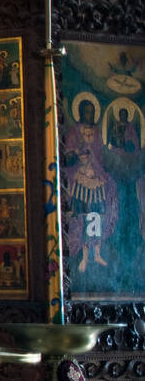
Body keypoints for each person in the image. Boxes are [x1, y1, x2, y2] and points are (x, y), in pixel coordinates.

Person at [64, 98, 117, 271]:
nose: (90, 114)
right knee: (83, 215)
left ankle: (97, 253)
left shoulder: (97, 132)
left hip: (96, 178)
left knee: (98, 215)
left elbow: (101, 155)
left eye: (92, 111)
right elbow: (69, 154)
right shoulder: (74, 131)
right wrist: (79, 152)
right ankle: (84, 257)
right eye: (87, 111)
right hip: (80, 179)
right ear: (80, 112)